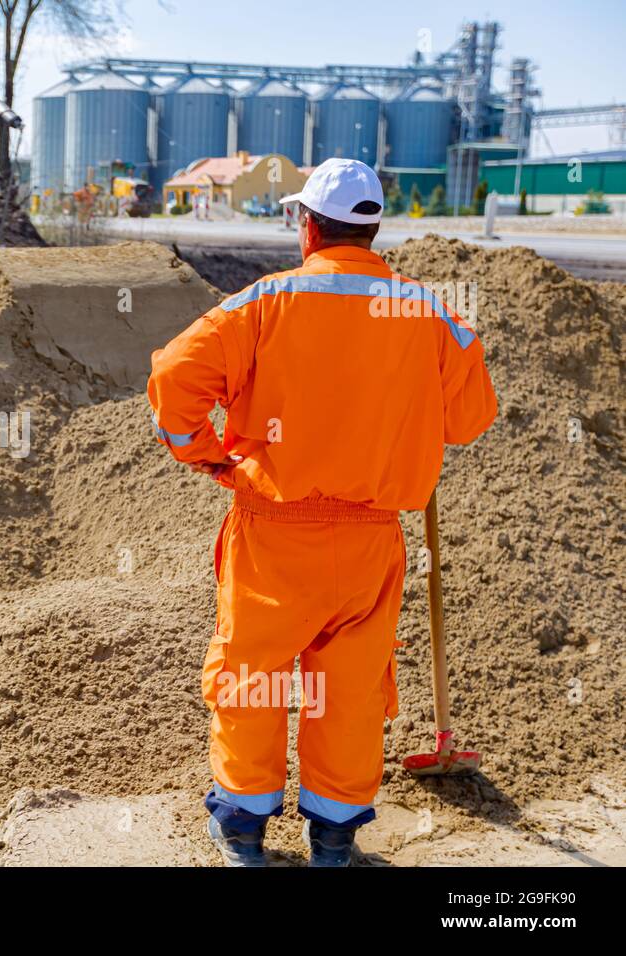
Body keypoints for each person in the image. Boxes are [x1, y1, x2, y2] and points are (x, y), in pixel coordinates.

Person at [148, 158, 497, 867]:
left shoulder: (261, 303)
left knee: (252, 676)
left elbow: (173, 378)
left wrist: (204, 453)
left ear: (307, 227)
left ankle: (243, 828)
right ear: (373, 230)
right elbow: (470, 420)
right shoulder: (427, 312)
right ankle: (334, 836)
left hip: (275, 534)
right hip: (371, 540)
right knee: (350, 690)